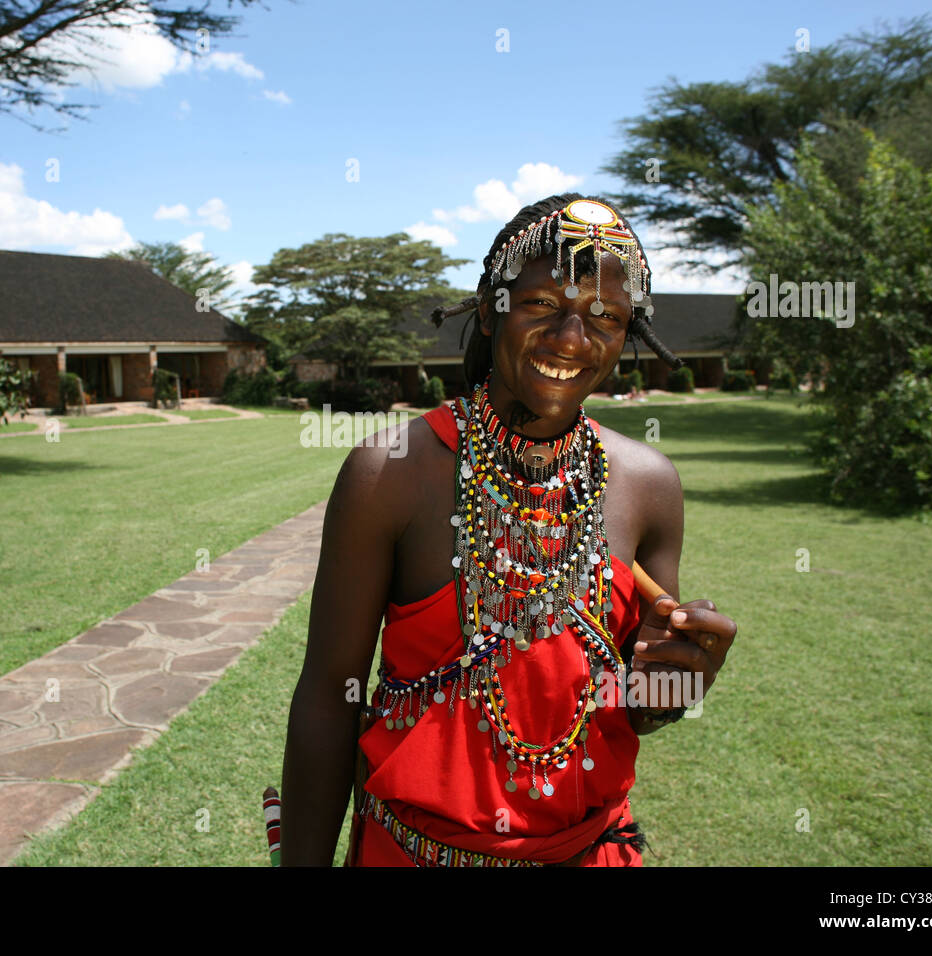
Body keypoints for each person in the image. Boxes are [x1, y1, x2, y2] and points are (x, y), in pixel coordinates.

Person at [280, 194, 738, 866]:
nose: (571, 340)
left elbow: (629, 708)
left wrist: (678, 685)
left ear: (627, 334)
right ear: (492, 306)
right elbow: (328, 695)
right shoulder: (391, 475)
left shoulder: (648, 484)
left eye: (606, 316)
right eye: (543, 305)